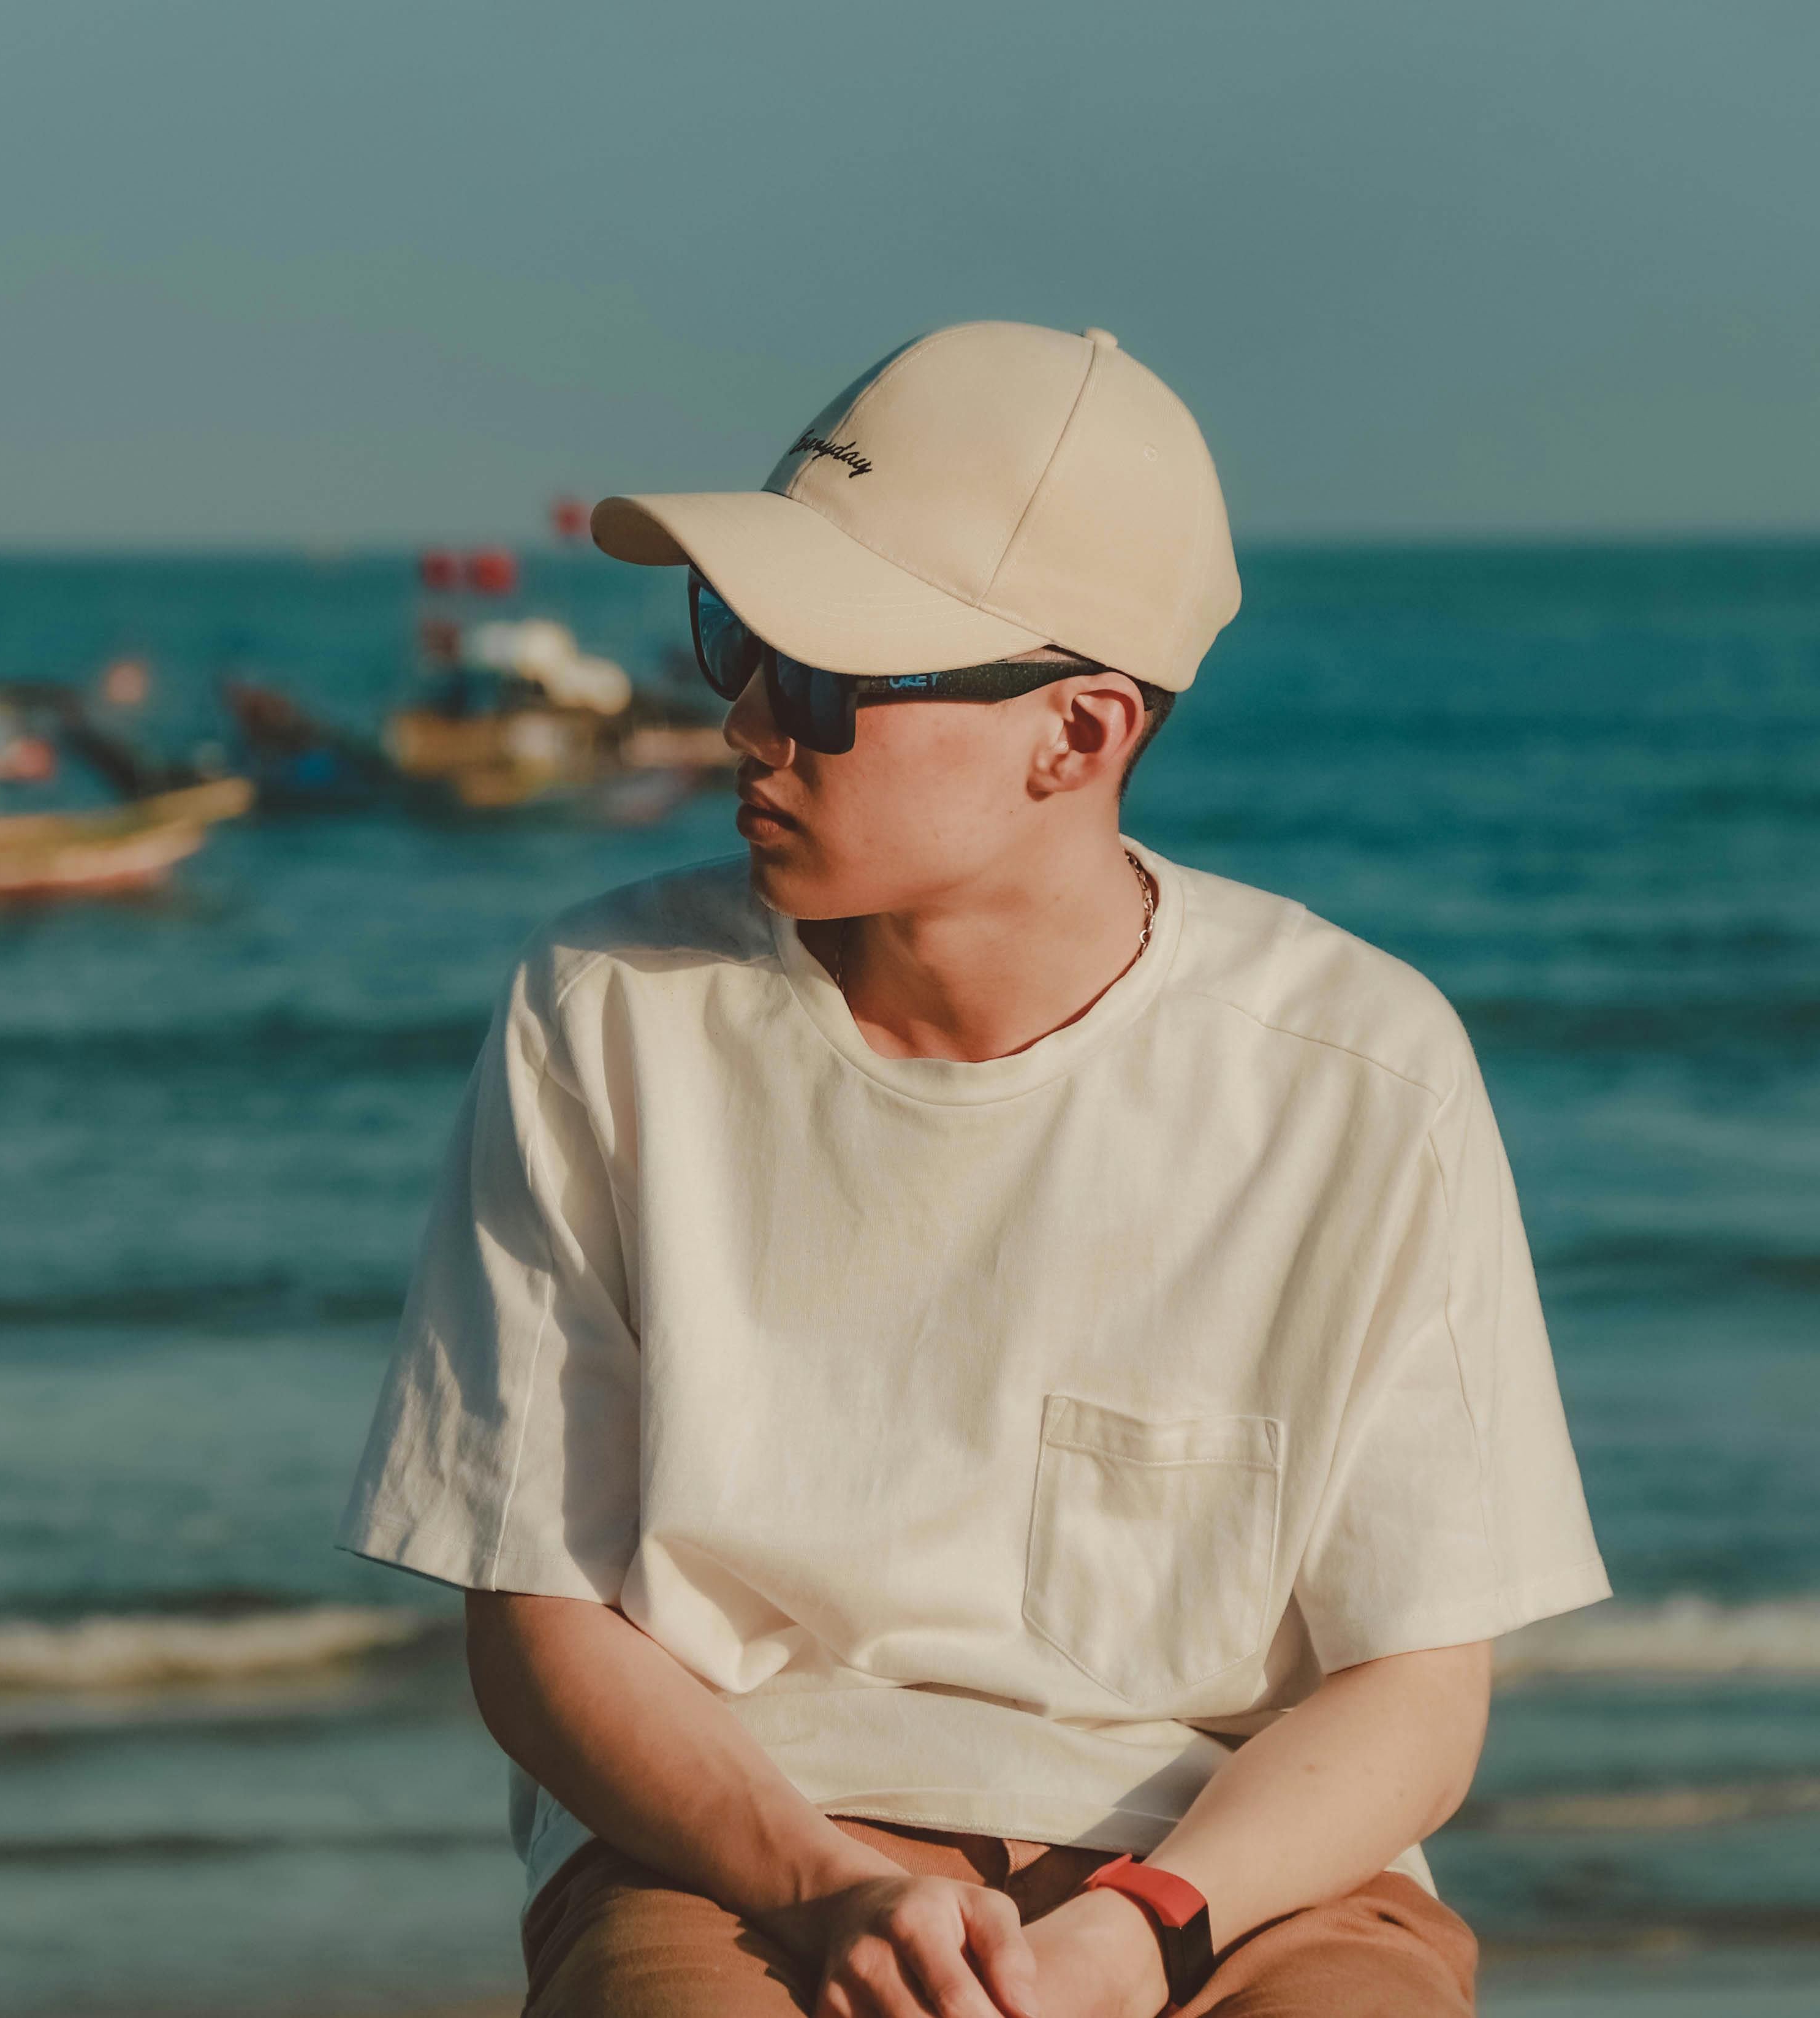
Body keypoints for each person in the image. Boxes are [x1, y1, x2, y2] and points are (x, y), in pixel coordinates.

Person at [336, 322, 1609, 2018]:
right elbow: (537, 1620)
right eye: (732, 641)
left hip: (1240, 1871)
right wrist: (822, 1884)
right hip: (737, 1845)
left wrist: (1145, 1925)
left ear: (1074, 737)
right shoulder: (610, 1013)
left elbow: (1414, 1685)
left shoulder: (1355, 1072)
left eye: (821, 677)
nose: (742, 724)